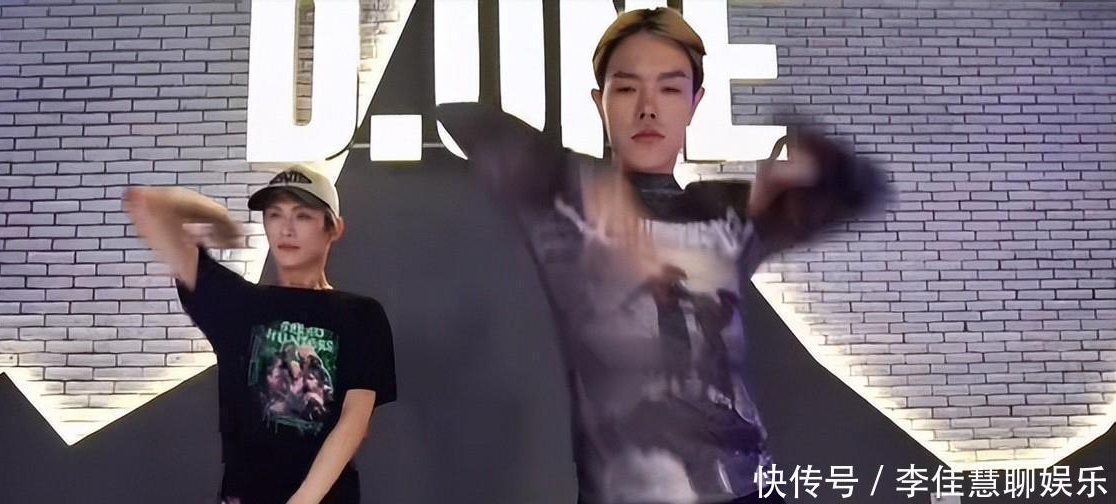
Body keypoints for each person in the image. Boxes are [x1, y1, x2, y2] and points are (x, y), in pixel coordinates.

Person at [436, 7, 890, 504]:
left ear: (695, 103)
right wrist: (589, 182)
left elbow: (861, 189)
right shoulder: (565, 207)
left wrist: (808, 153)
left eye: (670, 89)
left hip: (745, 487)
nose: (648, 108)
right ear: (600, 101)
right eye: (627, 88)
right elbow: (458, 117)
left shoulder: (727, 212)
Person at [122, 164, 398, 504]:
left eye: (302, 216)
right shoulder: (239, 304)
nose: (286, 229)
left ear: (334, 228)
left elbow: (354, 421)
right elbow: (145, 204)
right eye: (274, 214)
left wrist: (303, 500)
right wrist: (220, 219)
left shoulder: (360, 315)